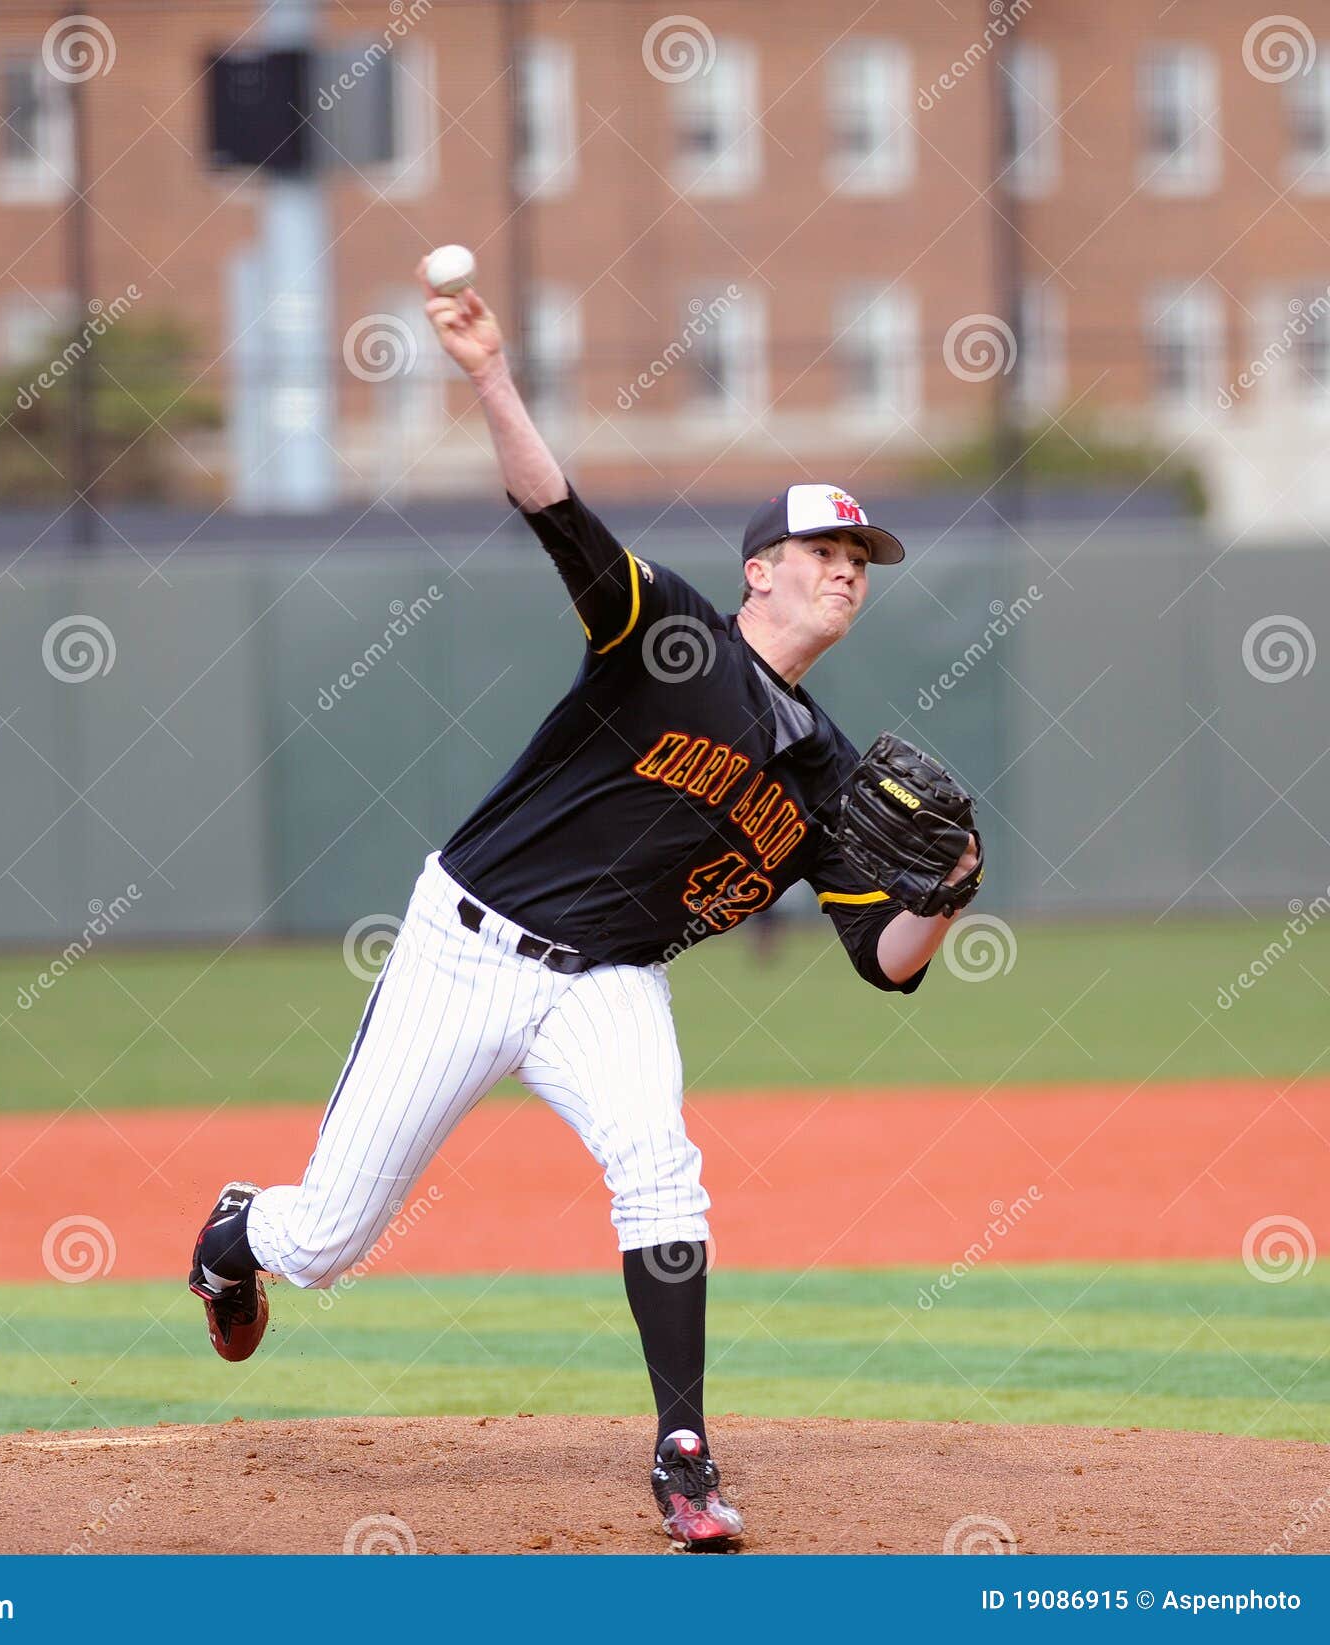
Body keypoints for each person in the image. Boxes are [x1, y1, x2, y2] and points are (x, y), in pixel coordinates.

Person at [189, 265, 981, 1552]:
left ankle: (682, 1452)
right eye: (827, 554)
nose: (849, 574)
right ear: (760, 571)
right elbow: (557, 515)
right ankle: (239, 1231)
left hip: (610, 978)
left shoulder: (831, 774)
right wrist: (489, 372)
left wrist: (941, 895)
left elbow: (881, 964)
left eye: (862, 561)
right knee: (326, 1241)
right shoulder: (671, 636)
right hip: (468, 941)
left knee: (661, 1168)